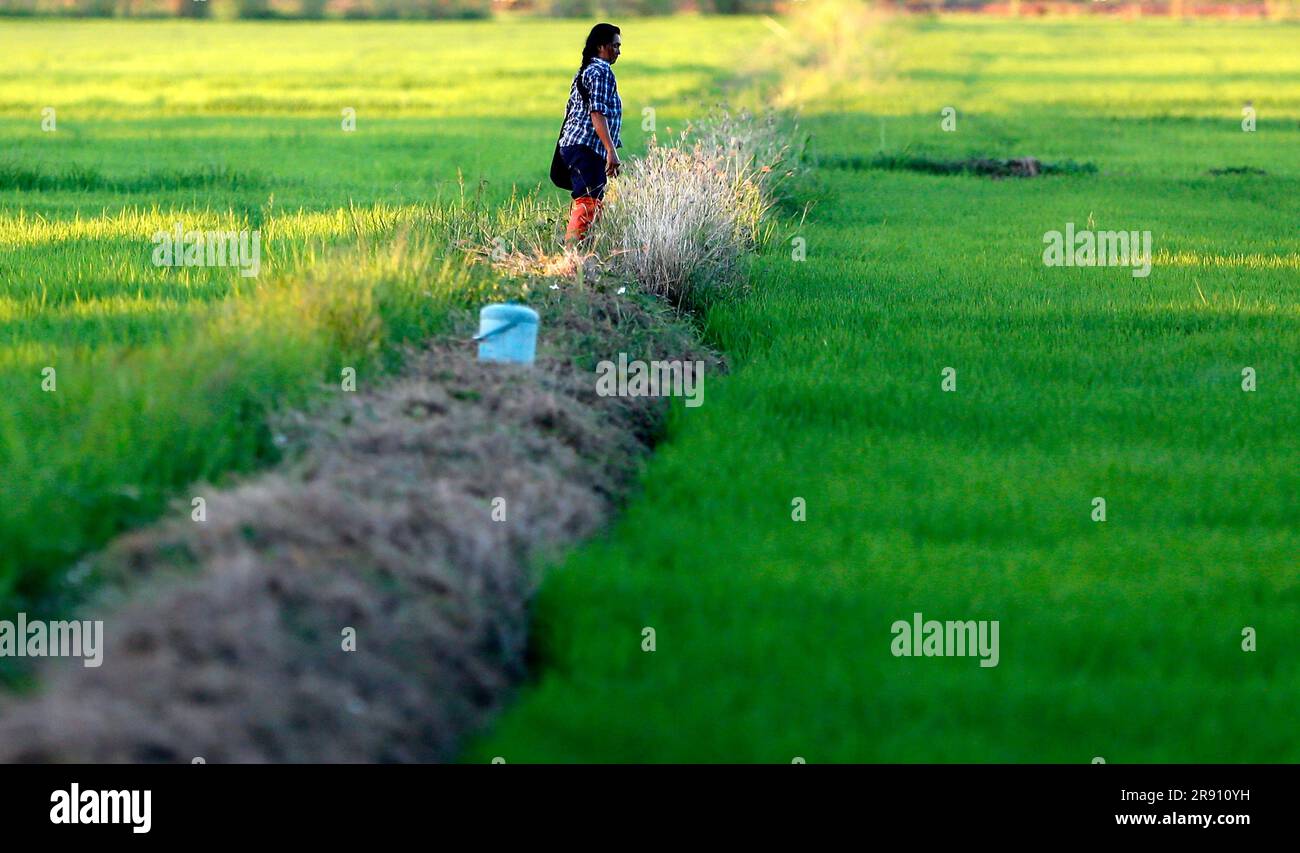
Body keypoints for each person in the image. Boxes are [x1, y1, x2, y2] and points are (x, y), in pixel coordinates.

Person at [558, 23, 622, 243]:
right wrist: (611, 151)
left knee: (590, 200)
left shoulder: (584, 70)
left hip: (573, 145)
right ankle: (571, 257)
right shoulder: (601, 71)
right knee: (588, 202)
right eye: (615, 46)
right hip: (585, 148)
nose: (618, 52)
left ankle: (582, 251)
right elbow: (597, 113)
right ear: (601, 46)